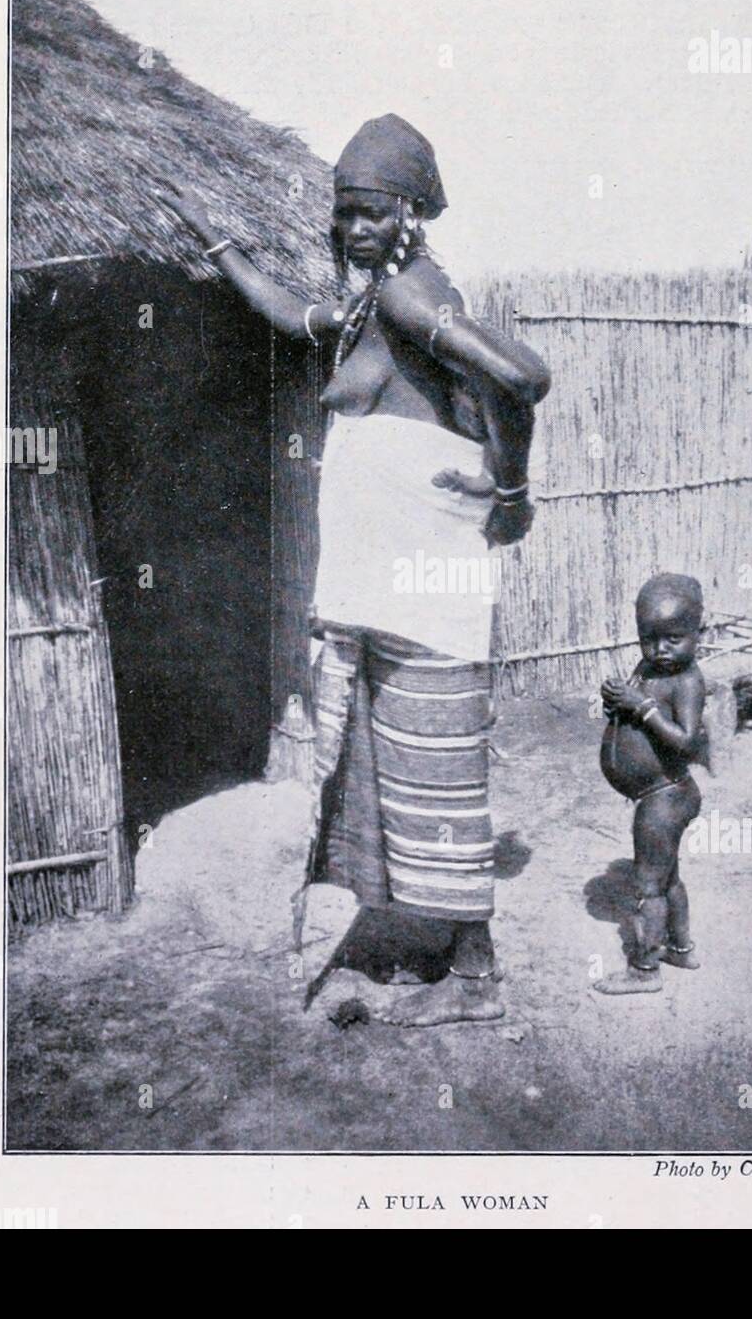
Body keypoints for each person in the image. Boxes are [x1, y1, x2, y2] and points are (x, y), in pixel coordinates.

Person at [159, 114, 550, 1026]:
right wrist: (218, 245)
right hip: (386, 577)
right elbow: (295, 318)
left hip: (421, 577)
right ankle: (443, 943)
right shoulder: (378, 301)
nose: (354, 229)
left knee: (436, 760)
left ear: (413, 211)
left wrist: (511, 486)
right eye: (345, 214)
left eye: (373, 212)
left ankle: (478, 975)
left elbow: (522, 382)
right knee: (392, 761)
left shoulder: (415, 298)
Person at [595, 574, 707, 995]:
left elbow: (686, 739)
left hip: (666, 796)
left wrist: (640, 707)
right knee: (668, 878)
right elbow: (638, 708)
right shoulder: (651, 667)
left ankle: (644, 970)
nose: (660, 650)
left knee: (647, 887)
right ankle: (680, 948)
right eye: (649, 639)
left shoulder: (688, 681)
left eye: (673, 639)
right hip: (656, 795)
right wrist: (617, 698)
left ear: (699, 633)